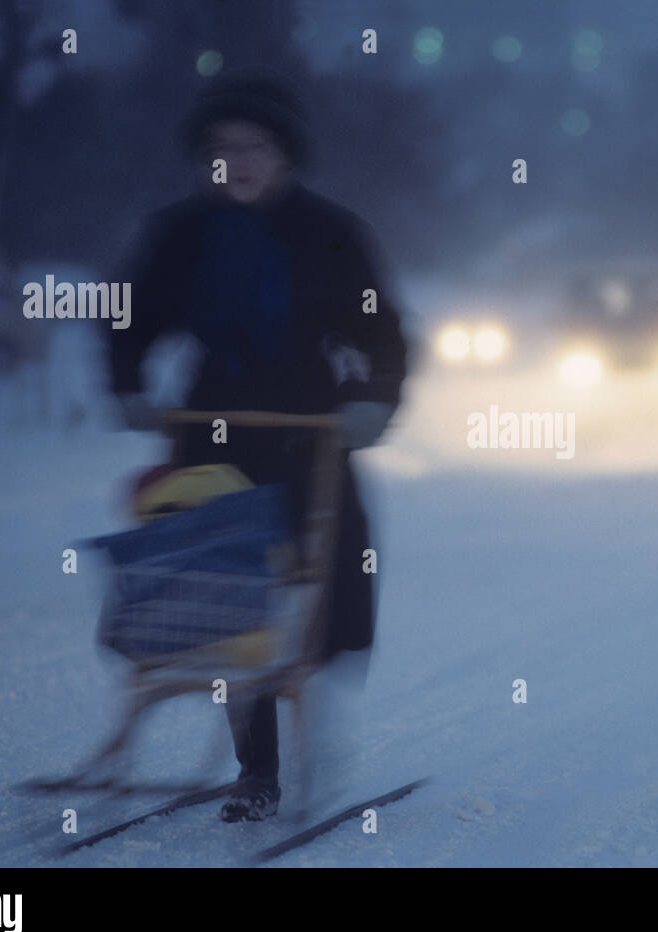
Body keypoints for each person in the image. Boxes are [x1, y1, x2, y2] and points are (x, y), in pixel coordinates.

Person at [104, 68, 407, 822]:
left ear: (286, 154)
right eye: (221, 148)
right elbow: (129, 314)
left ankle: (299, 697)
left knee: (309, 579)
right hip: (211, 429)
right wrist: (129, 383)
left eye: (255, 146)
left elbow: (382, 331)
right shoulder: (179, 233)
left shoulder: (332, 232)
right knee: (220, 593)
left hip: (309, 430)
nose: (236, 162)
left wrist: (374, 399)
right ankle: (257, 769)